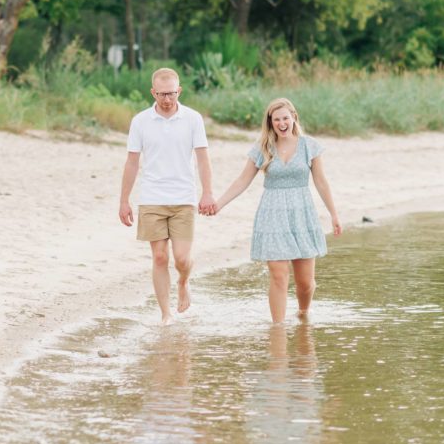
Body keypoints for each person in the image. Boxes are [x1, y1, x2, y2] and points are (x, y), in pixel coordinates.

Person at [211, 97, 340, 322]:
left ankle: (303, 315)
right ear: (270, 122)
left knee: (305, 283)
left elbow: (321, 181)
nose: (282, 123)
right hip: (272, 215)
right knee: (279, 276)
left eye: (285, 118)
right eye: (276, 119)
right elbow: (243, 180)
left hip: (302, 215)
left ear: (294, 118)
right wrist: (219, 204)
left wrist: (334, 214)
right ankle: (278, 331)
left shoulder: (309, 145)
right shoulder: (263, 148)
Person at [119, 67, 215, 324]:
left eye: (171, 93)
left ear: (179, 91)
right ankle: (165, 314)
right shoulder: (140, 121)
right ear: (153, 92)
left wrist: (207, 192)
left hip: (184, 198)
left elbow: (203, 160)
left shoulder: (193, 119)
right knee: (160, 257)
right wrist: (124, 200)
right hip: (151, 197)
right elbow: (131, 163)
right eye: (162, 94)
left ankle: (183, 282)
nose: (167, 99)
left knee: (182, 258)